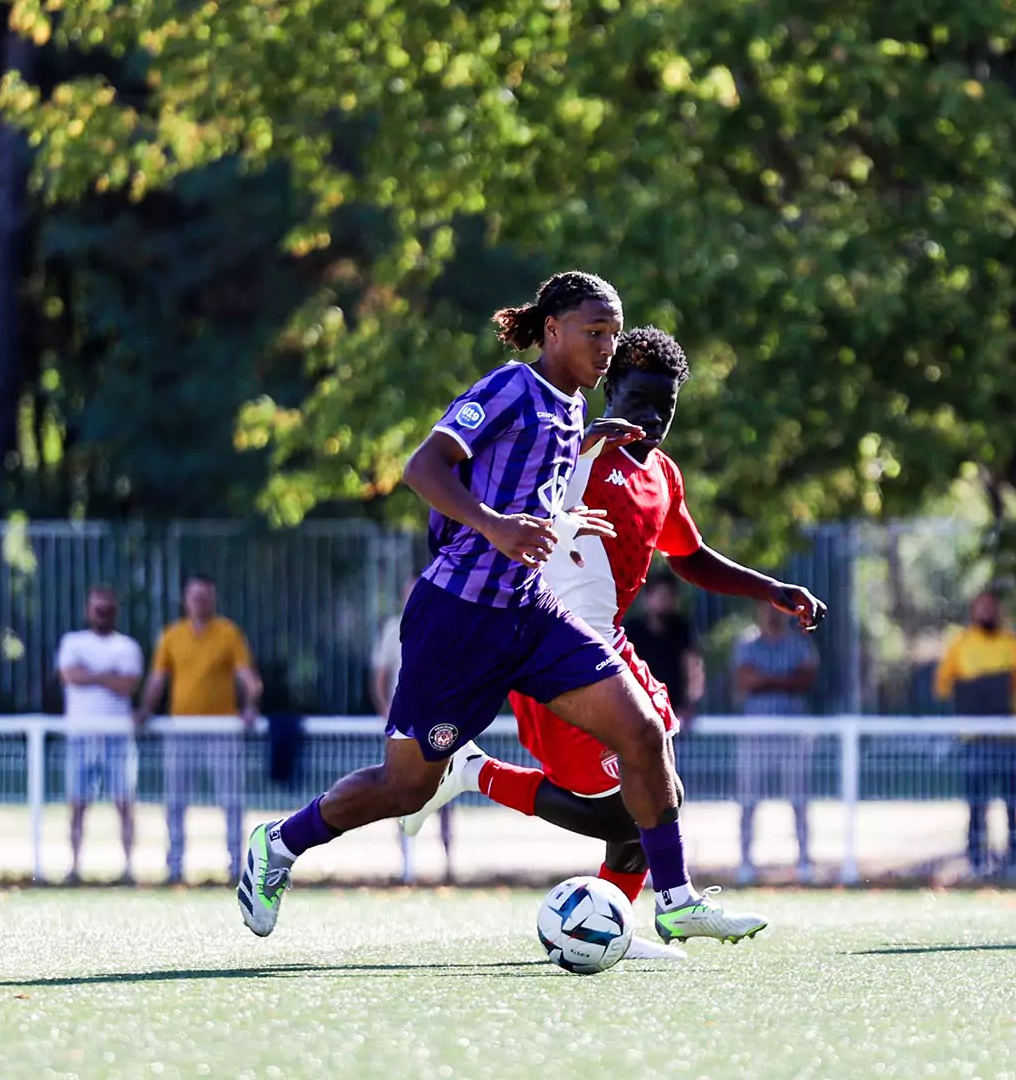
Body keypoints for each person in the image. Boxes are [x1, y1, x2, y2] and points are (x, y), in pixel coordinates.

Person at [235, 271, 766, 946]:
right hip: (458, 617)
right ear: (553, 330)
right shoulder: (510, 388)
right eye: (594, 332)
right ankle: (281, 842)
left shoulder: (576, 412)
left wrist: (557, 521)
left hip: (529, 612)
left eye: (613, 333)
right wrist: (496, 526)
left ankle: (676, 899)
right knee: (405, 788)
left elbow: (530, 495)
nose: (607, 346)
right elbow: (424, 468)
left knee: (642, 732)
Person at [397, 326, 823, 946]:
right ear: (609, 389)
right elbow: (493, 493)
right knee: (625, 812)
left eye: (664, 406)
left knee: (656, 790)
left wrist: (770, 589)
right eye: (637, 399)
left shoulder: (663, 474)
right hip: (554, 647)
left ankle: (616, 927)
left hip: (611, 648)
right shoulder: (573, 451)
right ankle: (474, 772)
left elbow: (689, 557)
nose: (650, 417)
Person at [139, 576, 262, 885]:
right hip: (181, 729)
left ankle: (235, 867)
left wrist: (250, 706)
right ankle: (174, 868)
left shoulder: (228, 633)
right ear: (185, 600)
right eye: (195, 596)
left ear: (214, 599)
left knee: (231, 799)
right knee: (175, 801)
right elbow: (158, 678)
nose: (200, 602)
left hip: (222, 730)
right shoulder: (172, 635)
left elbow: (247, 677)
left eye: (205, 596)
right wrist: (145, 710)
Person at [934, 587, 1016, 875]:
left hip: (1011, 737)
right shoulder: (960, 644)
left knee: (1013, 804)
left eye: (991, 606)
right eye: (981, 606)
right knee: (976, 804)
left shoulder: (1014, 644)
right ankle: (976, 862)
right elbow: (943, 686)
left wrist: (1004, 684)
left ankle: (1015, 861)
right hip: (975, 738)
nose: (987, 612)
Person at [57, 585, 144, 885]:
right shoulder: (72, 642)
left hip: (118, 737)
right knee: (77, 805)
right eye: (98, 609)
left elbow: (128, 684)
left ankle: (129, 867)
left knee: (125, 803)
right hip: (81, 736)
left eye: (107, 609)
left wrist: (90, 674)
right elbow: (70, 676)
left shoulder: (127, 647)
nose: (102, 614)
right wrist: (109, 675)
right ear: (88, 611)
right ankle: (74, 866)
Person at [370, 578, 455, 881]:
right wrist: (386, 711)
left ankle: (448, 865)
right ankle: (407, 867)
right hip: (404, 725)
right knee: (401, 792)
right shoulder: (393, 629)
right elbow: (380, 676)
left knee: (446, 792)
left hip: (438, 723)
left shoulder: (446, 625)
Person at [733, 603, 821, 881]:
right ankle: (746, 862)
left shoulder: (799, 644)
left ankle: (804, 861)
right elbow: (746, 679)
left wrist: (766, 680)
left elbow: (804, 679)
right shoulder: (747, 644)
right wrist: (784, 679)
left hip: (792, 734)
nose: (771, 614)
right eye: (766, 609)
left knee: (799, 799)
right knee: (748, 799)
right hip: (755, 735)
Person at [626, 577, 704, 719]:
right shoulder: (632, 630)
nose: (665, 601)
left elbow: (693, 666)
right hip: (639, 706)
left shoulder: (682, 629)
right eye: (660, 595)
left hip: (676, 710)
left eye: (670, 596)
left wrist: (690, 704)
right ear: (647, 598)